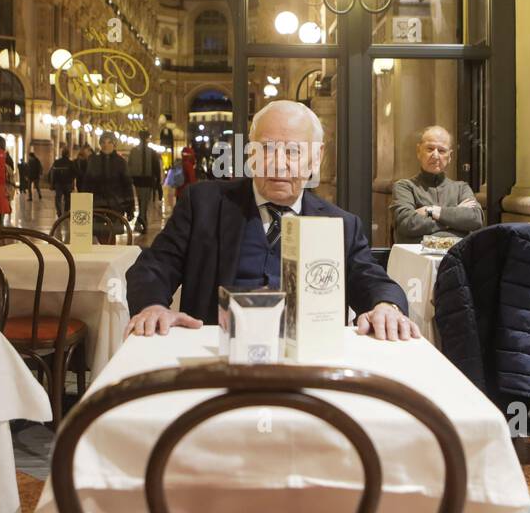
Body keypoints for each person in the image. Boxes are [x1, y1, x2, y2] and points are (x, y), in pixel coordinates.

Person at [126, 100, 417, 341]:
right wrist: (153, 306)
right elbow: (155, 266)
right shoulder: (203, 203)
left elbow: (372, 280)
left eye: (292, 151)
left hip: (308, 356)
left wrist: (386, 306)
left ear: (316, 158)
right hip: (216, 354)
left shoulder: (339, 224)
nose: (278, 162)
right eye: (266, 148)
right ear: (251, 154)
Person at [390, 125, 483, 243]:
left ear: (449, 156)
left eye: (441, 150)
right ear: (419, 151)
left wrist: (432, 210)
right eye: (430, 149)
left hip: (456, 258)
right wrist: (454, 218)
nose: (435, 155)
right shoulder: (404, 187)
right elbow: (406, 224)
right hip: (417, 258)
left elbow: (475, 219)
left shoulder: (461, 188)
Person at [80, 132, 133, 242]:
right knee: (99, 233)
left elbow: (127, 185)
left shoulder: (121, 162)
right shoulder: (93, 161)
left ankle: (108, 254)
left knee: (110, 233)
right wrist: (83, 203)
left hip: (115, 204)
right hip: (97, 204)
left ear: (114, 144)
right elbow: (87, 183)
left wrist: (130, 208)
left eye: (109, 142)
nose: (106, 145)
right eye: (103, 142)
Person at [127, 131, 162, 235]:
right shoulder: (151, 152)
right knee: (144, 203)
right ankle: (141, 221)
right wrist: (158, 182)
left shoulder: (134, 151)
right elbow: (156, 169)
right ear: (147, 138)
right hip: (147, 181)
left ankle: (143, 223)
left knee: (143, 202)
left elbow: (129, 166)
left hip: (137, 181)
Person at [50, 144, 75, 216]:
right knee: (68, 198)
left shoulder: (57, 162)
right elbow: (74, 173)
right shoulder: (71, 163)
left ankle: (59, 212)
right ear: (68, 154)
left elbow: (53, 173)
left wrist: (52, 183)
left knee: (58, 198)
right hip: (68, 183)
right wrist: (72, 182)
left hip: (58, 183)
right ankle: (66, 211)